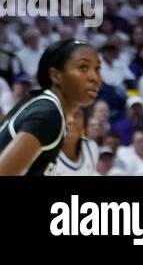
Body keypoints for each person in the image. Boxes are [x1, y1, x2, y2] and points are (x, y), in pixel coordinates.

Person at [0, 39, 101, 176]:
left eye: (97, 69)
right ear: (56, 76)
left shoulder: (47, 107)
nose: (94, 77)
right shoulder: (48, 114)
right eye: (83, 67)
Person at [48, 107, 99, 177]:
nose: (71, 120)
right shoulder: (47, 154)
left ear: (85, 122)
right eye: (66, 114)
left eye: (77, 115)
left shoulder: (92, 147)